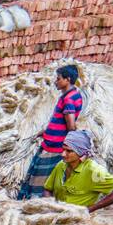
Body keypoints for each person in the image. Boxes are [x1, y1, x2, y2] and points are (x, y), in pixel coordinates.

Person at [19, 64, 83, 198]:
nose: (56, 81)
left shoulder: (68, 100)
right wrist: (46, 131)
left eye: (59, 79)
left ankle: (39, 203)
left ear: (68, 79)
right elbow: (62, 121)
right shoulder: (75, 94)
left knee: (43, 179)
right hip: (52, 140)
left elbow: (71, 126)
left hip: (54, 145)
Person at [45, 129, 113, 211]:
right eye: (63, 149)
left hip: (78, 220)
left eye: (69, 151)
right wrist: (51, 206)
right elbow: (48, 189)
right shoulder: (61, 165)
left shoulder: (94, 172)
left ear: (81, 152)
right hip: (57, 216)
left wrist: (88, 210)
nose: (63, 154)